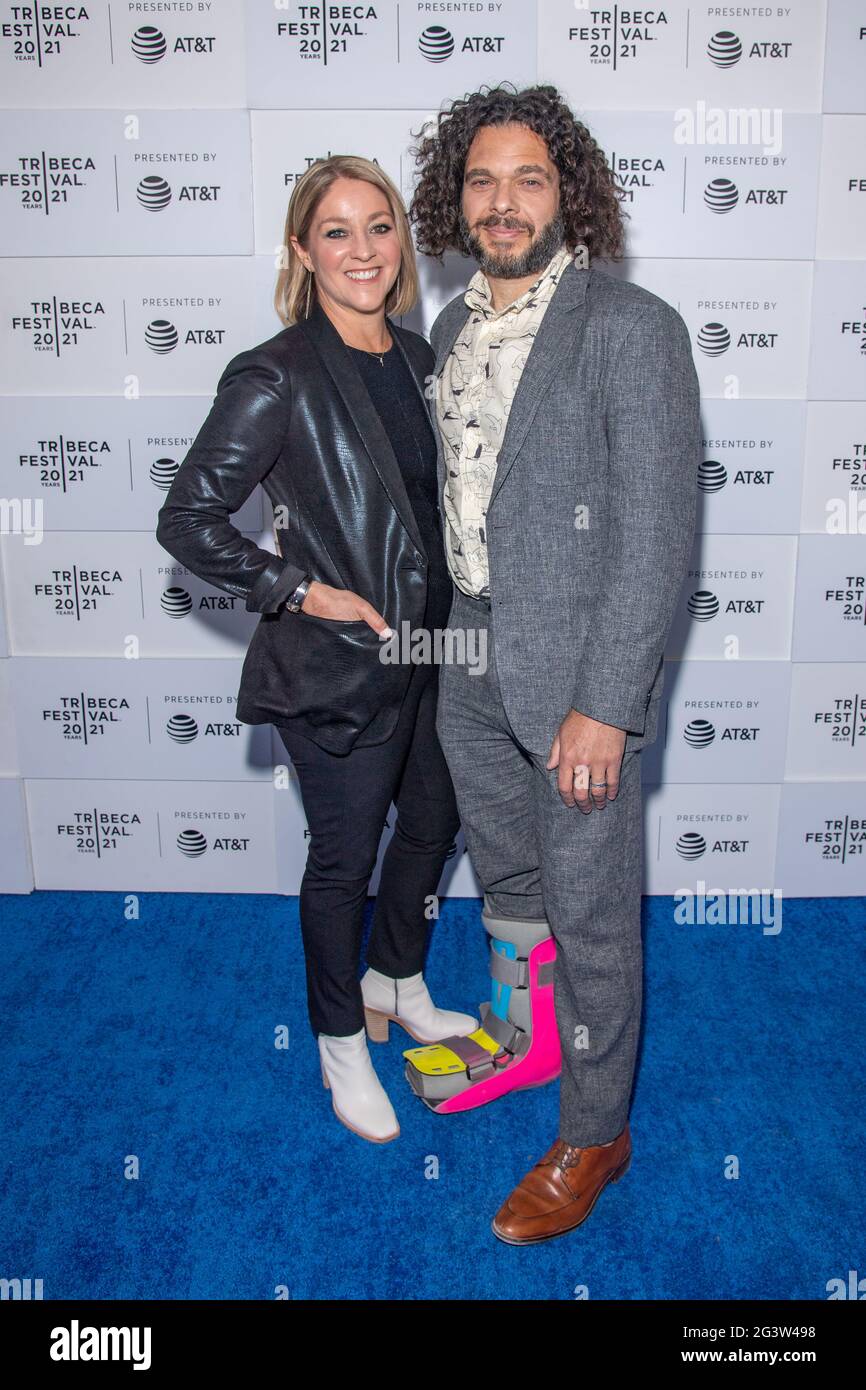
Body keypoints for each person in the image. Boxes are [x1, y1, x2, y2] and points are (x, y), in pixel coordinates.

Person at [401, 85, 701, 1240]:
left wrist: (606, 706)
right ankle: (526, 1042)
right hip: (469, 656)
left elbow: (655, 538)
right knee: (511, 876)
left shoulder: (631, 330)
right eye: (481, 179)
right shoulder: (450, 329)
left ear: (564, 192)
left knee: (590, 910)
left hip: (575, 678)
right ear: (455, 197)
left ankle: (594, 1130)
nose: (502, 200)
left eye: (528, 178)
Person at [156, 156, 476, 1146]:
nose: (362, 250)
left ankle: (397, 978)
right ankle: (340, 1040)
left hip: (432, 652)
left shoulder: (421, 361)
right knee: (343, 861)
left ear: (400, 242)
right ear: (302, 250)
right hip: (332, 666)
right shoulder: (275, 371)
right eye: (335, 231)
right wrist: (296, 587)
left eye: (377, 226)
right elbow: (189, 516)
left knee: (429, 826)